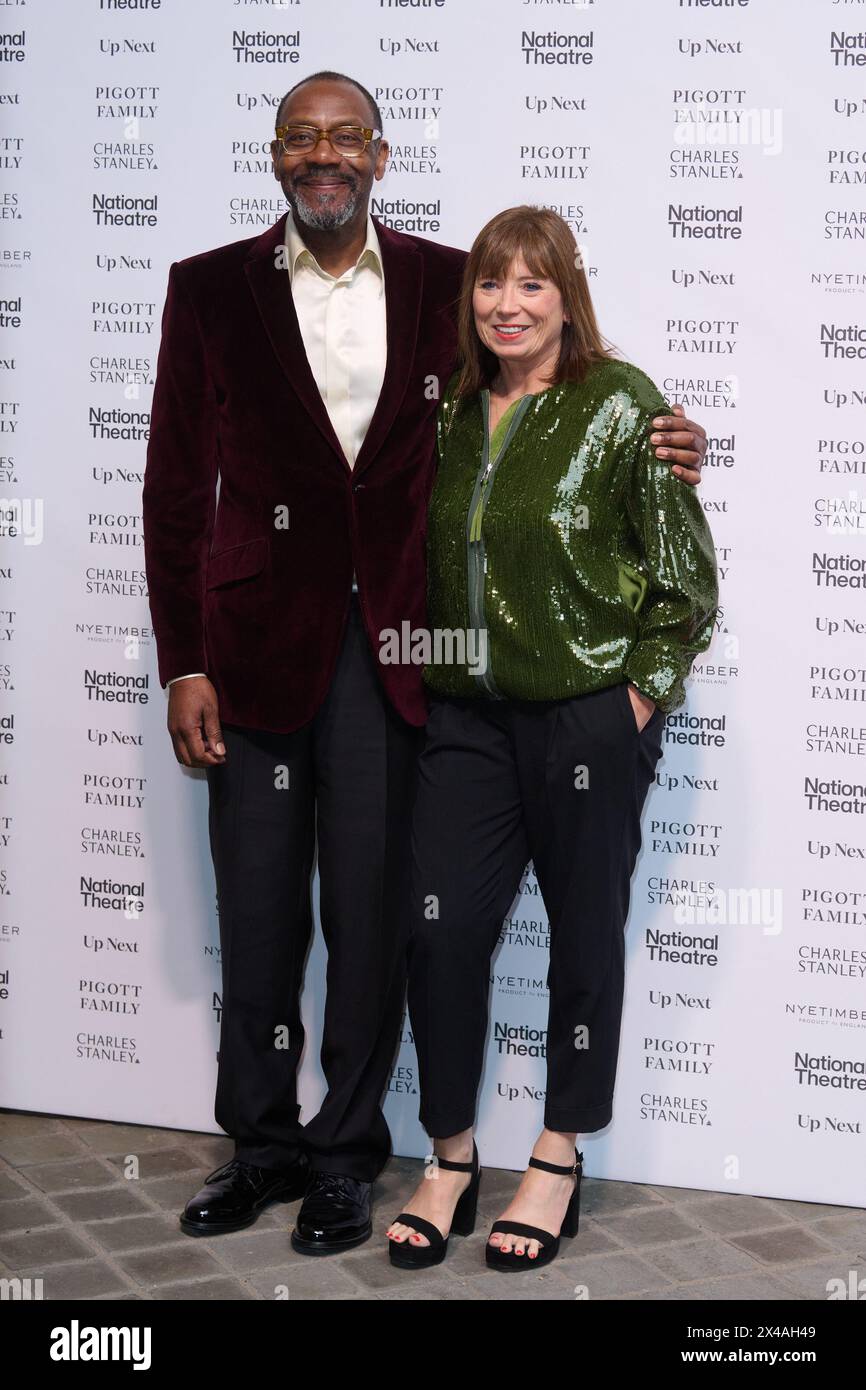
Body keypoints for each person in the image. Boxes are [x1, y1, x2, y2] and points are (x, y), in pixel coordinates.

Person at [142, 73, 709, 1257]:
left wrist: (668, 441)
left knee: (371, 907)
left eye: (347, 136)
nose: (325, 156)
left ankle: (349, 1155)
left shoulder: (449, 281)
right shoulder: (207, 288)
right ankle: (258, 1143)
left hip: (403, 652)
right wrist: (183, 658)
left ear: (382, 157)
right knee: (254, 911)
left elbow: (566, 386)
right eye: (302, 138)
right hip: (251, 649)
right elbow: (173, 481)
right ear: (275, 157)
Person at [386, 205, 718, 1272]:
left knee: (582, 936)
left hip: (583, 714)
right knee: (438, 929)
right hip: (466, 717)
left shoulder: (619, 406)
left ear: (564, 293)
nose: (507, 305)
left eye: (531, 284)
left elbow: (684, 584)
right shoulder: (447, 411)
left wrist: (633, 699)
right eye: (490, 284)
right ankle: (447, 1154)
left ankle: (558, 1153)